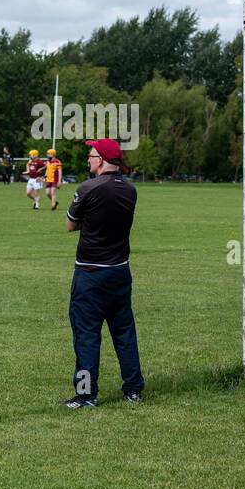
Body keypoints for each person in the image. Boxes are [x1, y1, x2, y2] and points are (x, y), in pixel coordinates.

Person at [60, 139, 143, 408]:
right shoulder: (130, 190)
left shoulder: (87, 188)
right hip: (120, 271)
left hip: (90, 274)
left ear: (102, 159)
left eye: (91, 154)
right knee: (124, 333)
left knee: (86, 335)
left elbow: (70, 225)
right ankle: (133, 390)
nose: (88, 158)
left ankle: (86, 395)